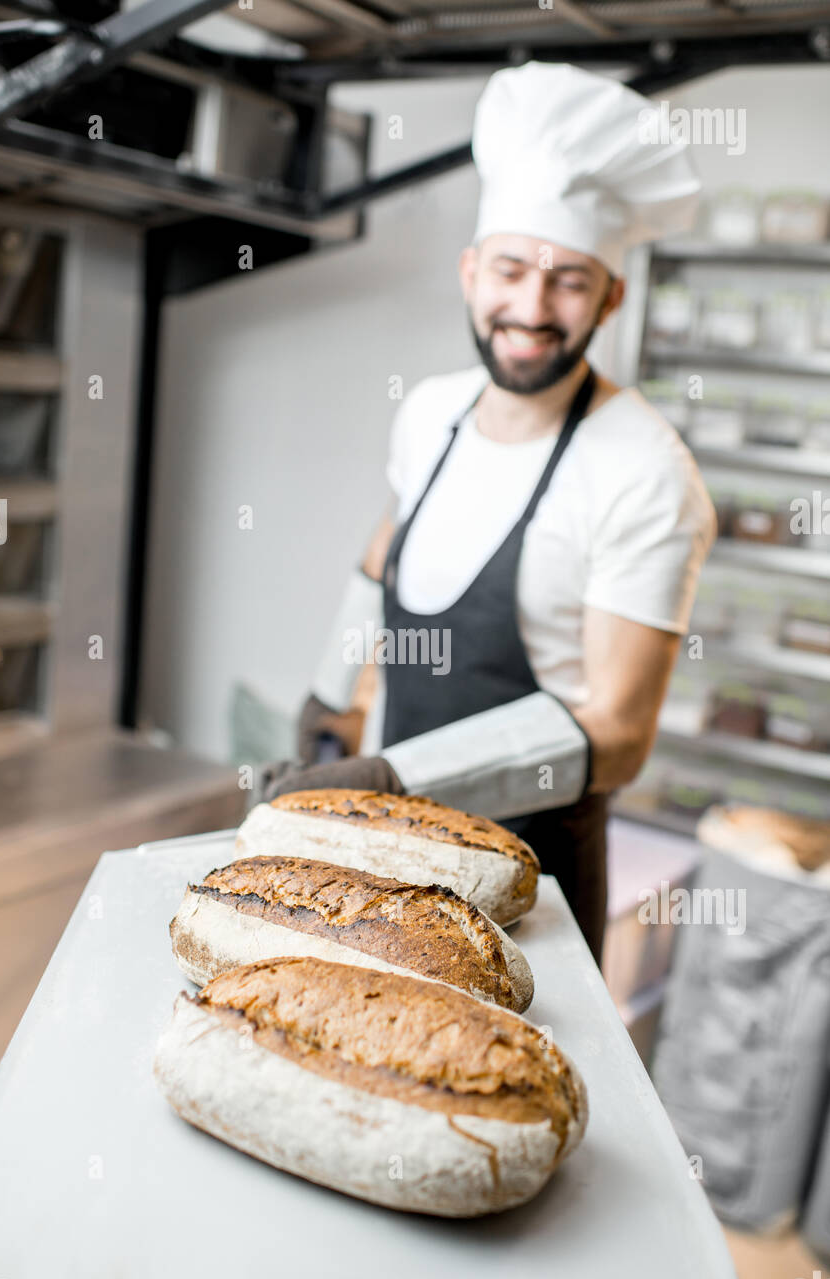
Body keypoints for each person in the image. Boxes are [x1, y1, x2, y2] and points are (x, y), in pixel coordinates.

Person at [255, 62, 717, 966]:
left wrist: (391, 774)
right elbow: (382, 556)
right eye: (509, 270)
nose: (531, 309)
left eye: (569, 282)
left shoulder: (645, 471)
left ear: (611, 297)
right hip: (385, 854)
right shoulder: (429, 409)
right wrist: (329, 704)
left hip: (530, 887)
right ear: (471, 273)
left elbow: (618, 735)